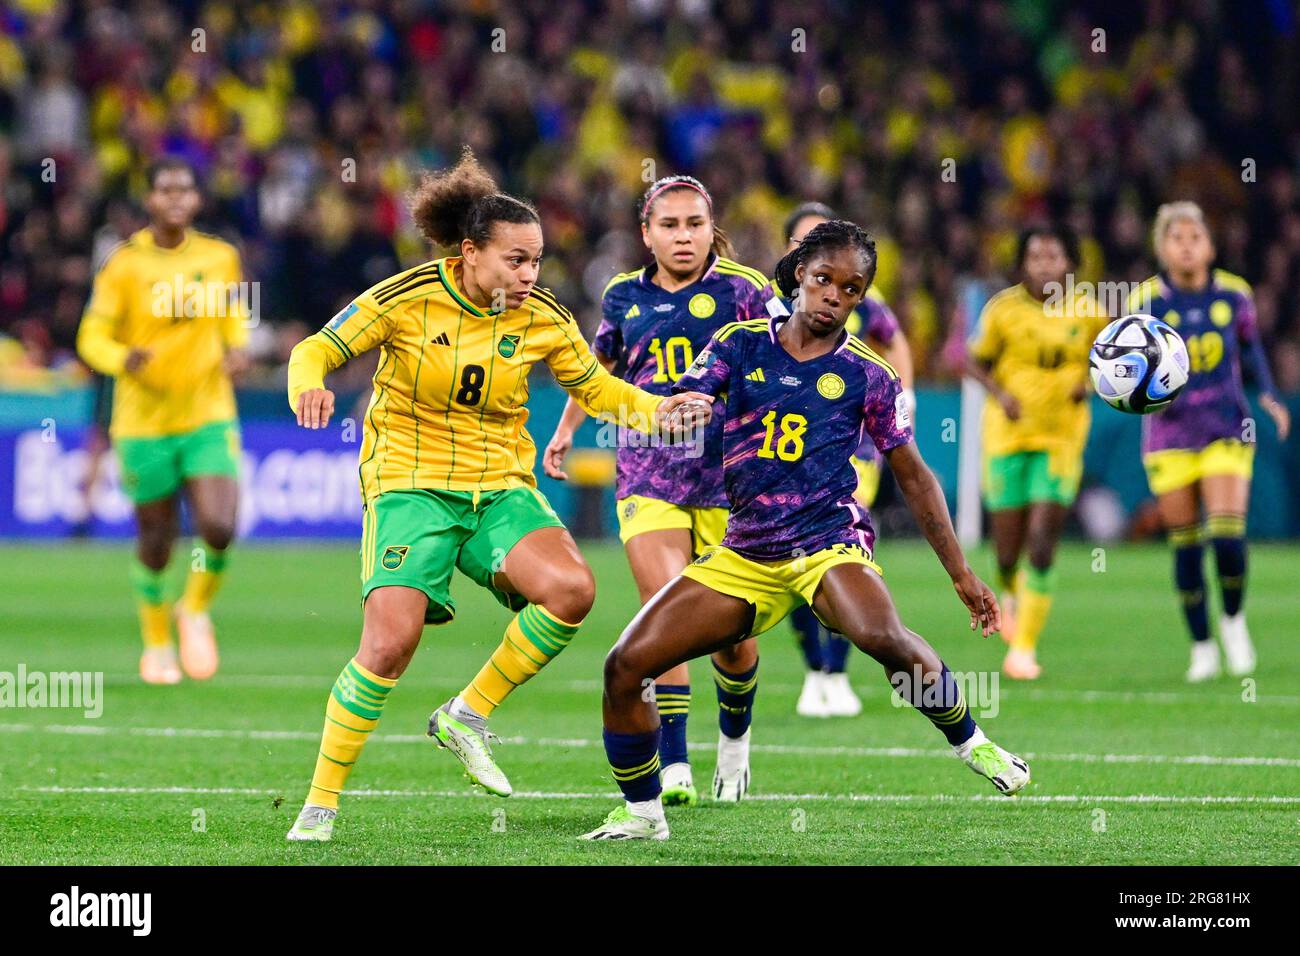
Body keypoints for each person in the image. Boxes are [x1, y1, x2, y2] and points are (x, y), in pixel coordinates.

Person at [283, 148, 713, 842]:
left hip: (499, 486)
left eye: (537, 261)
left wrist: (658, 412)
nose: (529, 274)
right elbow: (318, 347)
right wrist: (308, 381)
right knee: (390, 645)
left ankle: (467, 714)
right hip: (409, 483)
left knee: (573, 588)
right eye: (516, 260)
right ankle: (320, 804)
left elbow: (596, 390)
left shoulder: (540, 315)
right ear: (470, 253)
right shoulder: (407, 297)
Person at [580, 220, 1028, 841]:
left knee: (877, 634)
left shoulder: (869, 375)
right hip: (745, 552)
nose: (834, 298)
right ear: (797, 276)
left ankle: (973, 742)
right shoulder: (738, 345)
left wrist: (962, 573)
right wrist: (691, 406)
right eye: (824, 280)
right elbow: (692, 391)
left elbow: (917, 478)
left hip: (827, 542)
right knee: (624, 665)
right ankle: (643, 812)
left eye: (851, 289)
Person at [543, 175, 772, 804]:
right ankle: (674, 764)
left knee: (731, 637)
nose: (682, 236)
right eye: (668, 225)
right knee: (666, 606)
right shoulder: (621, 298)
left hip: (731, 480)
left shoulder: (748, 292)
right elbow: (597, 373)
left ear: (711, 228)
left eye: (694, 224)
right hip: (648, 470)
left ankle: (734, 738)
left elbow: (791, 360)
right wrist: (565, 432)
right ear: (646, 234)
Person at [76, 158, 250, 685]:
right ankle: (156, 645)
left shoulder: (220, 258)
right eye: (165, 190)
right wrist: (120, 358)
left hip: (207, 413)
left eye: (185, 189)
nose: (175, 198)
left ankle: (192, 609)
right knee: (157, 540)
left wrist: (239, 350)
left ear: (196, 200)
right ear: (149, 200)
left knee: (218, 528)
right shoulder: (123, 265)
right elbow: (91, 336)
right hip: (143, 423)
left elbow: (232, 320)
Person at [1130, 202, 1290, 682]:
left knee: (1227, 535)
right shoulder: (1147, 300)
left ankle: (1234, 621)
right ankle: (1201, 645)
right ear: (1162, 247)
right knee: (1185, 545)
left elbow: (1251, 349)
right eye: (1176, 238)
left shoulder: (1235, 295)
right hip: (1169, 432)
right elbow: (1130, 364)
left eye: (1194, 237)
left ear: (1210, 246)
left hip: (1225, 426)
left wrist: (1269, 395)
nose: (1186, 246)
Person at [779, 203, 915, 718]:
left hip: (850, 445)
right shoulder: (765, 303)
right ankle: (815, 667)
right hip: (783, 454)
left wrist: (903, 399)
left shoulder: (861, 297)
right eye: (804, 241)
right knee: (787, 556)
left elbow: (893, 338)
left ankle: (837, 671)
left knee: (842, 545)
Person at [964, 225, 1107, 680]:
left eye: (1054, 256)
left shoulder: (1089, 312)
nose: (1045, 265)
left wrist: (1089, 384)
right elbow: (972, 361)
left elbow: (1115, 366)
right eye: (1036, 257)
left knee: (1043, 542)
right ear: (1023, 263)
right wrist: (1000, 393)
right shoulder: (1003, 310)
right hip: (1007, 437)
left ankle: (1023, 648)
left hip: (1062, 439)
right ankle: (1009, 590)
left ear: (1069, 262)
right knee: (1007, 551)